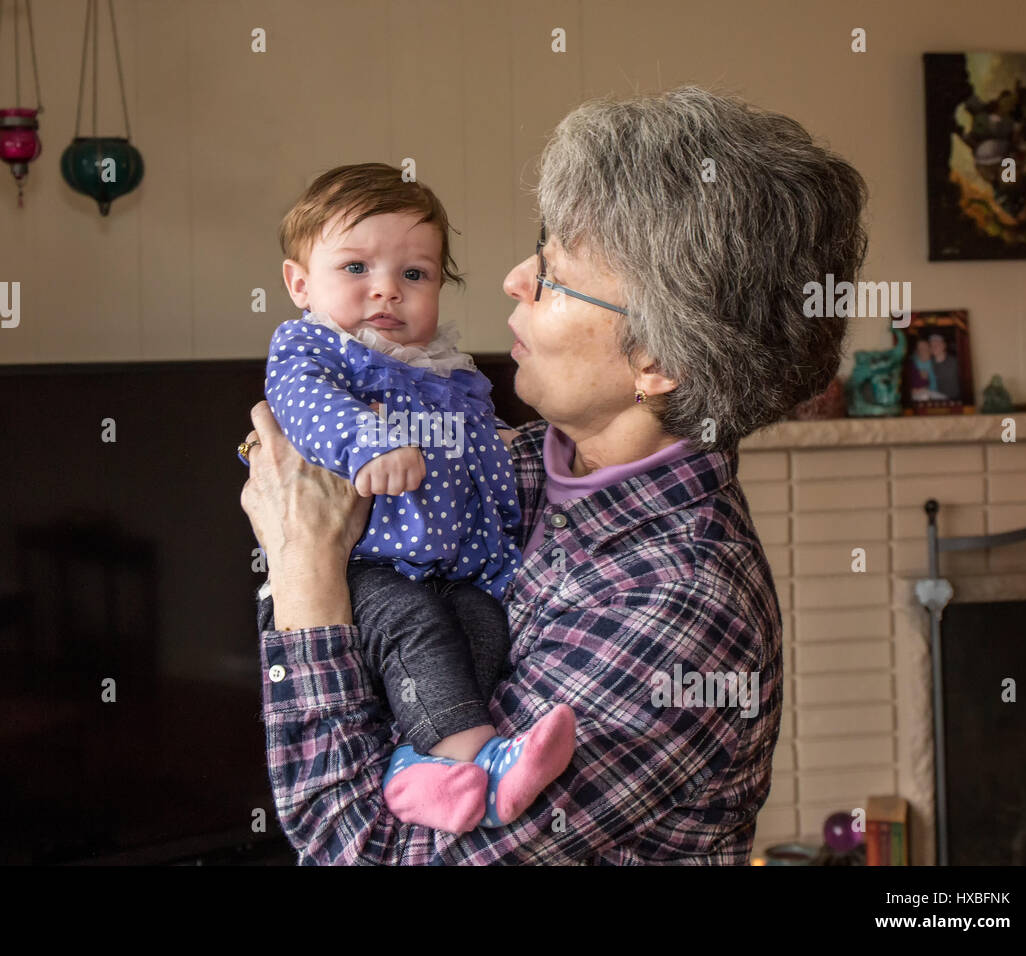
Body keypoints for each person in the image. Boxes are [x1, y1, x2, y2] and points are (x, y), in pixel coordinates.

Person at [240, 87, 869, 864]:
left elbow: (366, 853)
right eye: (540, 247)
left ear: (659, 361)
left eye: (557, 275)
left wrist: (304, 574)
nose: (513, 278)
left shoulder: (675, 614)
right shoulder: (516, 463)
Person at [253, 163, 577, 834]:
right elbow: (308, 409)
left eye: (414, 275)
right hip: (365, 570)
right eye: (355, 268)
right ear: (298, 283)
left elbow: (484, 457)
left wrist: (505, 543)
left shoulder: (446, 371)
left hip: (450, 569)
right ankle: (477, 761)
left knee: (486, 626)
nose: (386, 293)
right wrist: (368, 445)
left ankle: (413, 763)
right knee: (414, 627)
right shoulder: (314, 348)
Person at [928, 333, 961, 401]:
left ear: (944, 345)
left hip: (954, 399)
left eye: (937, 344)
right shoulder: (928, 363)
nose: (934, 347)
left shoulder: (955, 362)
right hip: (935, 400)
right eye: (932, 345)